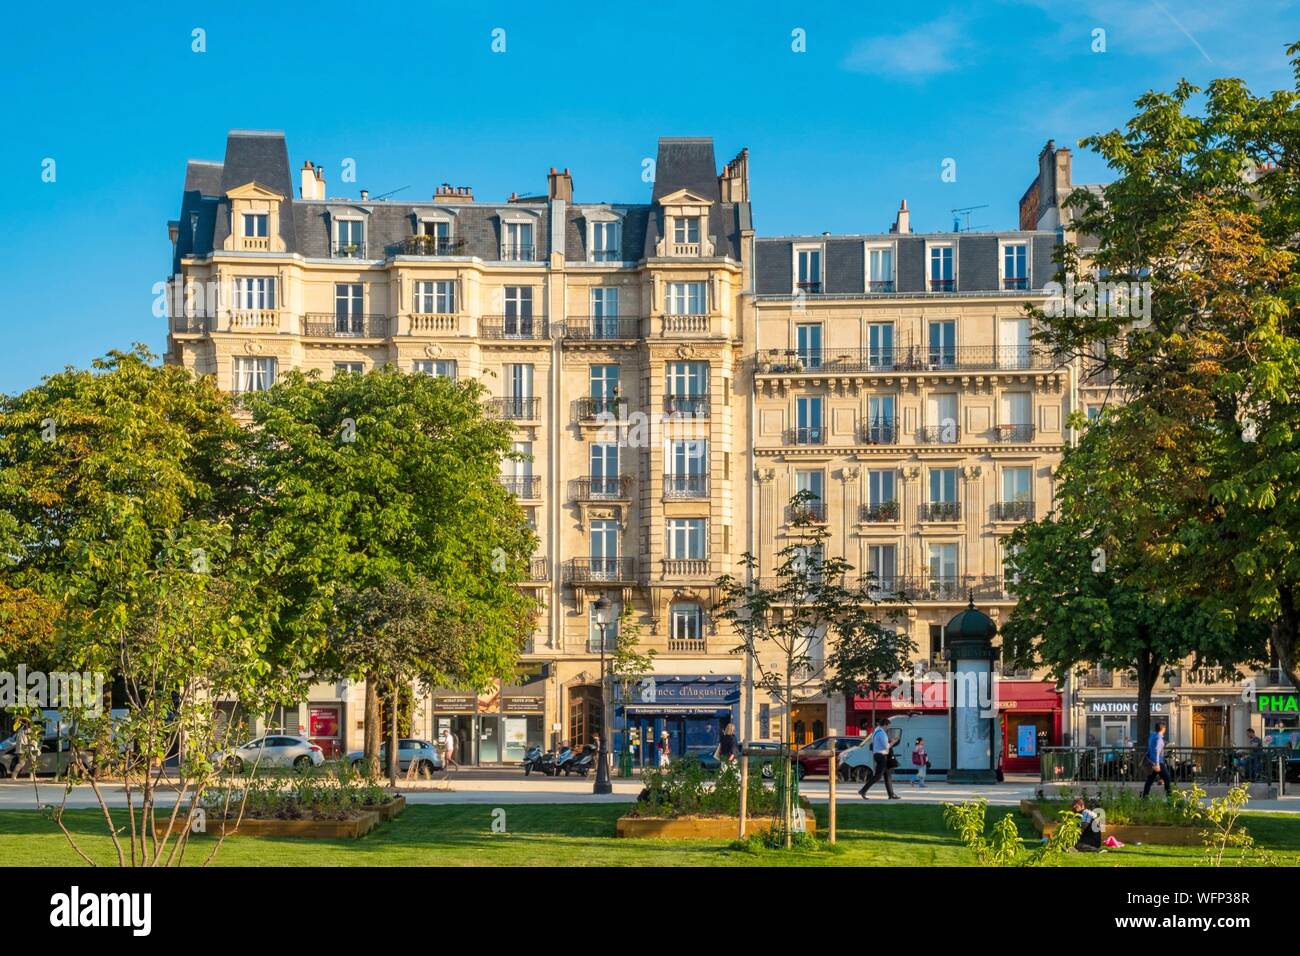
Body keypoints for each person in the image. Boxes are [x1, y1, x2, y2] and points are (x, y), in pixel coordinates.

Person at [859, 717, 899, 799]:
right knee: (878, 776)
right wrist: (892, 742)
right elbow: (886, 746)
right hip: (881, 756)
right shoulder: (882, 733)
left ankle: (891, 794)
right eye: (888, 726)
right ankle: (863, 790)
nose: (888, 728)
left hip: (879, 755)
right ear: (885, 725)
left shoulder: (876, 731)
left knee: (887, 775)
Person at [1141, 721, 1171, 799]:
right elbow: (1157, 751)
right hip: (1158, 762)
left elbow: (1151, 749)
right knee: (1167, 778)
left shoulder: (1152, 737)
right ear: (1163, 729)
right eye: (1165, 728)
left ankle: (1144, 797)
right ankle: (1170, 798)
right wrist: (1157, 764)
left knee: (1150, 780)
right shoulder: (1159, 738)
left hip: (1151, 761)